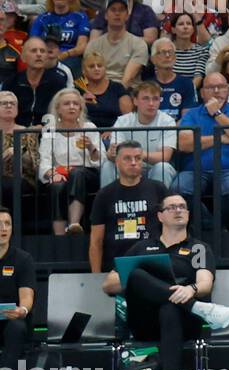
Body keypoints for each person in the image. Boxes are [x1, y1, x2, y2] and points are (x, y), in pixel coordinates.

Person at [102, 194, 229, 370]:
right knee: (136, 276)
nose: (179, 210)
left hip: (184, 323)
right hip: (144, 321)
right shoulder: (142, 248)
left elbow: (205, 283)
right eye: (172, 207)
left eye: (183, 207)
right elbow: (108, 284)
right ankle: (201, 308)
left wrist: (190, 289)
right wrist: (137, 282)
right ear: (160, 216)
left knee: (169, 307)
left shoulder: (197, 248)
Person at [175, 73, 229, 228]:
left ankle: (219, 226)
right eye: (211, 87)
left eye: (221, 87)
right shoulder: (192, 114)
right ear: (202, 92)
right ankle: (213, 227)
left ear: (228, 90)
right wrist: (221, 138)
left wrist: (217, 114)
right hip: (195, 168)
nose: (217, 91)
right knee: (179, 189)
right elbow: (184, 143)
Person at [87, 139, 168, 272]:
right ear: (117, 162)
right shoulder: (104, 195)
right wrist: (95, 277)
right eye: (127, 158)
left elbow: (172, 230)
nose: (133, 162)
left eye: (138, 158)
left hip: (152, 265)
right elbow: (96, 241)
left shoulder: (158, 189)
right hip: (115, 268)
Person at [39, 88, 102, 235]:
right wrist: (51, 174)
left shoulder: (89, 127)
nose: (72, 107)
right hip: (60, 173)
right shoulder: (50, 130)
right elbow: (45, 158)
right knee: (57, 186)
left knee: (77, 173)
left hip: (87, 174)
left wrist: (91, 147)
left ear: (81, 108)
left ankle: (74, 224)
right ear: (58, 109)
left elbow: (100, 160)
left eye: (76, 103)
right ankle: (59, 235)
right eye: (67, 104)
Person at [105, 79, 177, 185]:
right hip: (127, 167)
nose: (151, 103)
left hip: (154, 168)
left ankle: (159, 201)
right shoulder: (122, 121)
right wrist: (110, 154)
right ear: (135, 101)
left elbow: (165, 156)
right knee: (108, 165)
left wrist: (137, 154)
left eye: (156, 99)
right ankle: (109, 201)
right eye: (146, 99)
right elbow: (114, 154)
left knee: (163, 167)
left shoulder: (168, 121)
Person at [0, 208, 35, 370]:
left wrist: (22, 310)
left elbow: (27, 297)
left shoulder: (22, 259)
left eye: (7, 224)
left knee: (16, 327)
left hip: (12, 319)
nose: (3, 229)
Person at [31, 0, 92, 76]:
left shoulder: (80, 17)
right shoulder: (42, 18)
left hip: (70, 57)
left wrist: (65, 54)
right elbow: (33, 44)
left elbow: (82, 46)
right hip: (45, 57)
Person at [85, 0, 149, 85]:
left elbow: (128, 79)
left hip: (128, 91)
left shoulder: (139, 44)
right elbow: (88, 74)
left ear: (127, 16)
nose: (117, 13)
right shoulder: (93, 45)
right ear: (106, 15)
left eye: (121, 10)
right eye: (113, 10)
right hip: (98, 89)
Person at [146, 37, 198, 121]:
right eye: (162, 52)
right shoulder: (146, 85)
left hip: (179, 131)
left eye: (170, 52)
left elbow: (187, 117)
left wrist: (171, 132)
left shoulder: (187, 83)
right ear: (153, 59)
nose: (167, 56)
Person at [77, 51, 131, 128]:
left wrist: (113, 130)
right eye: (91, 66)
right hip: (85, 133)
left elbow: (128, 118)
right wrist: (81, 101)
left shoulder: (117, 88)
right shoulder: (78, 90)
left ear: (105, 69)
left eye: (99, 66)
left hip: (114, 133)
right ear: (84, 71)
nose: (96, 69)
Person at [168, 11, 210, 83]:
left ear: (193, 29)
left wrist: (186, 92)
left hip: (191, 91)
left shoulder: (201, 51)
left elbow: (198, 78)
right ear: (173, 29)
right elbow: (162, 76)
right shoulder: (166, 50)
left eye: (189, 24)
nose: (185, 27)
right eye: (181, 24)